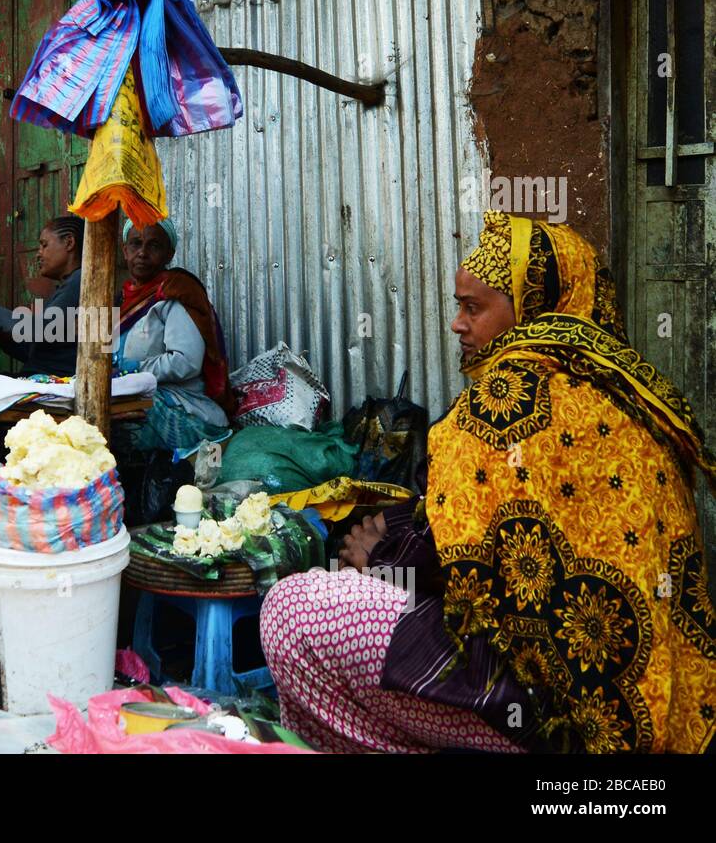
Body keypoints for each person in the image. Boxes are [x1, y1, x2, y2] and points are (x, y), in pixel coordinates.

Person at [259, 211, 716, 754]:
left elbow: (453, 568)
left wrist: (383, 556)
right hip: (659, 709)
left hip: (552, 716)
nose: (457, 323)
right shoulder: (630, 392)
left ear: (531, 311)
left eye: (473, 308)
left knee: (294, 608)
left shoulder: (509, 399)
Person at [113, 218, 234, 458]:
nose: (143, 253)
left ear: (169, 254)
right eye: (136, 244)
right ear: (125, 251)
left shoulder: (176, 294)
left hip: (187, 411)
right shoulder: (120, 300)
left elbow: (185, 362)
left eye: (154, 246)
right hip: (139, 398)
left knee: (115, 419)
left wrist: (132, 370)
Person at [0, 216, 83, 377]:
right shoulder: (67, 286)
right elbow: (40, 355)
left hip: (52, 384)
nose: (38, 254)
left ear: (69, 242)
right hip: (41, 378)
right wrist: (6, 338)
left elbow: (42, 328)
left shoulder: (80, 280)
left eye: (44, 245)